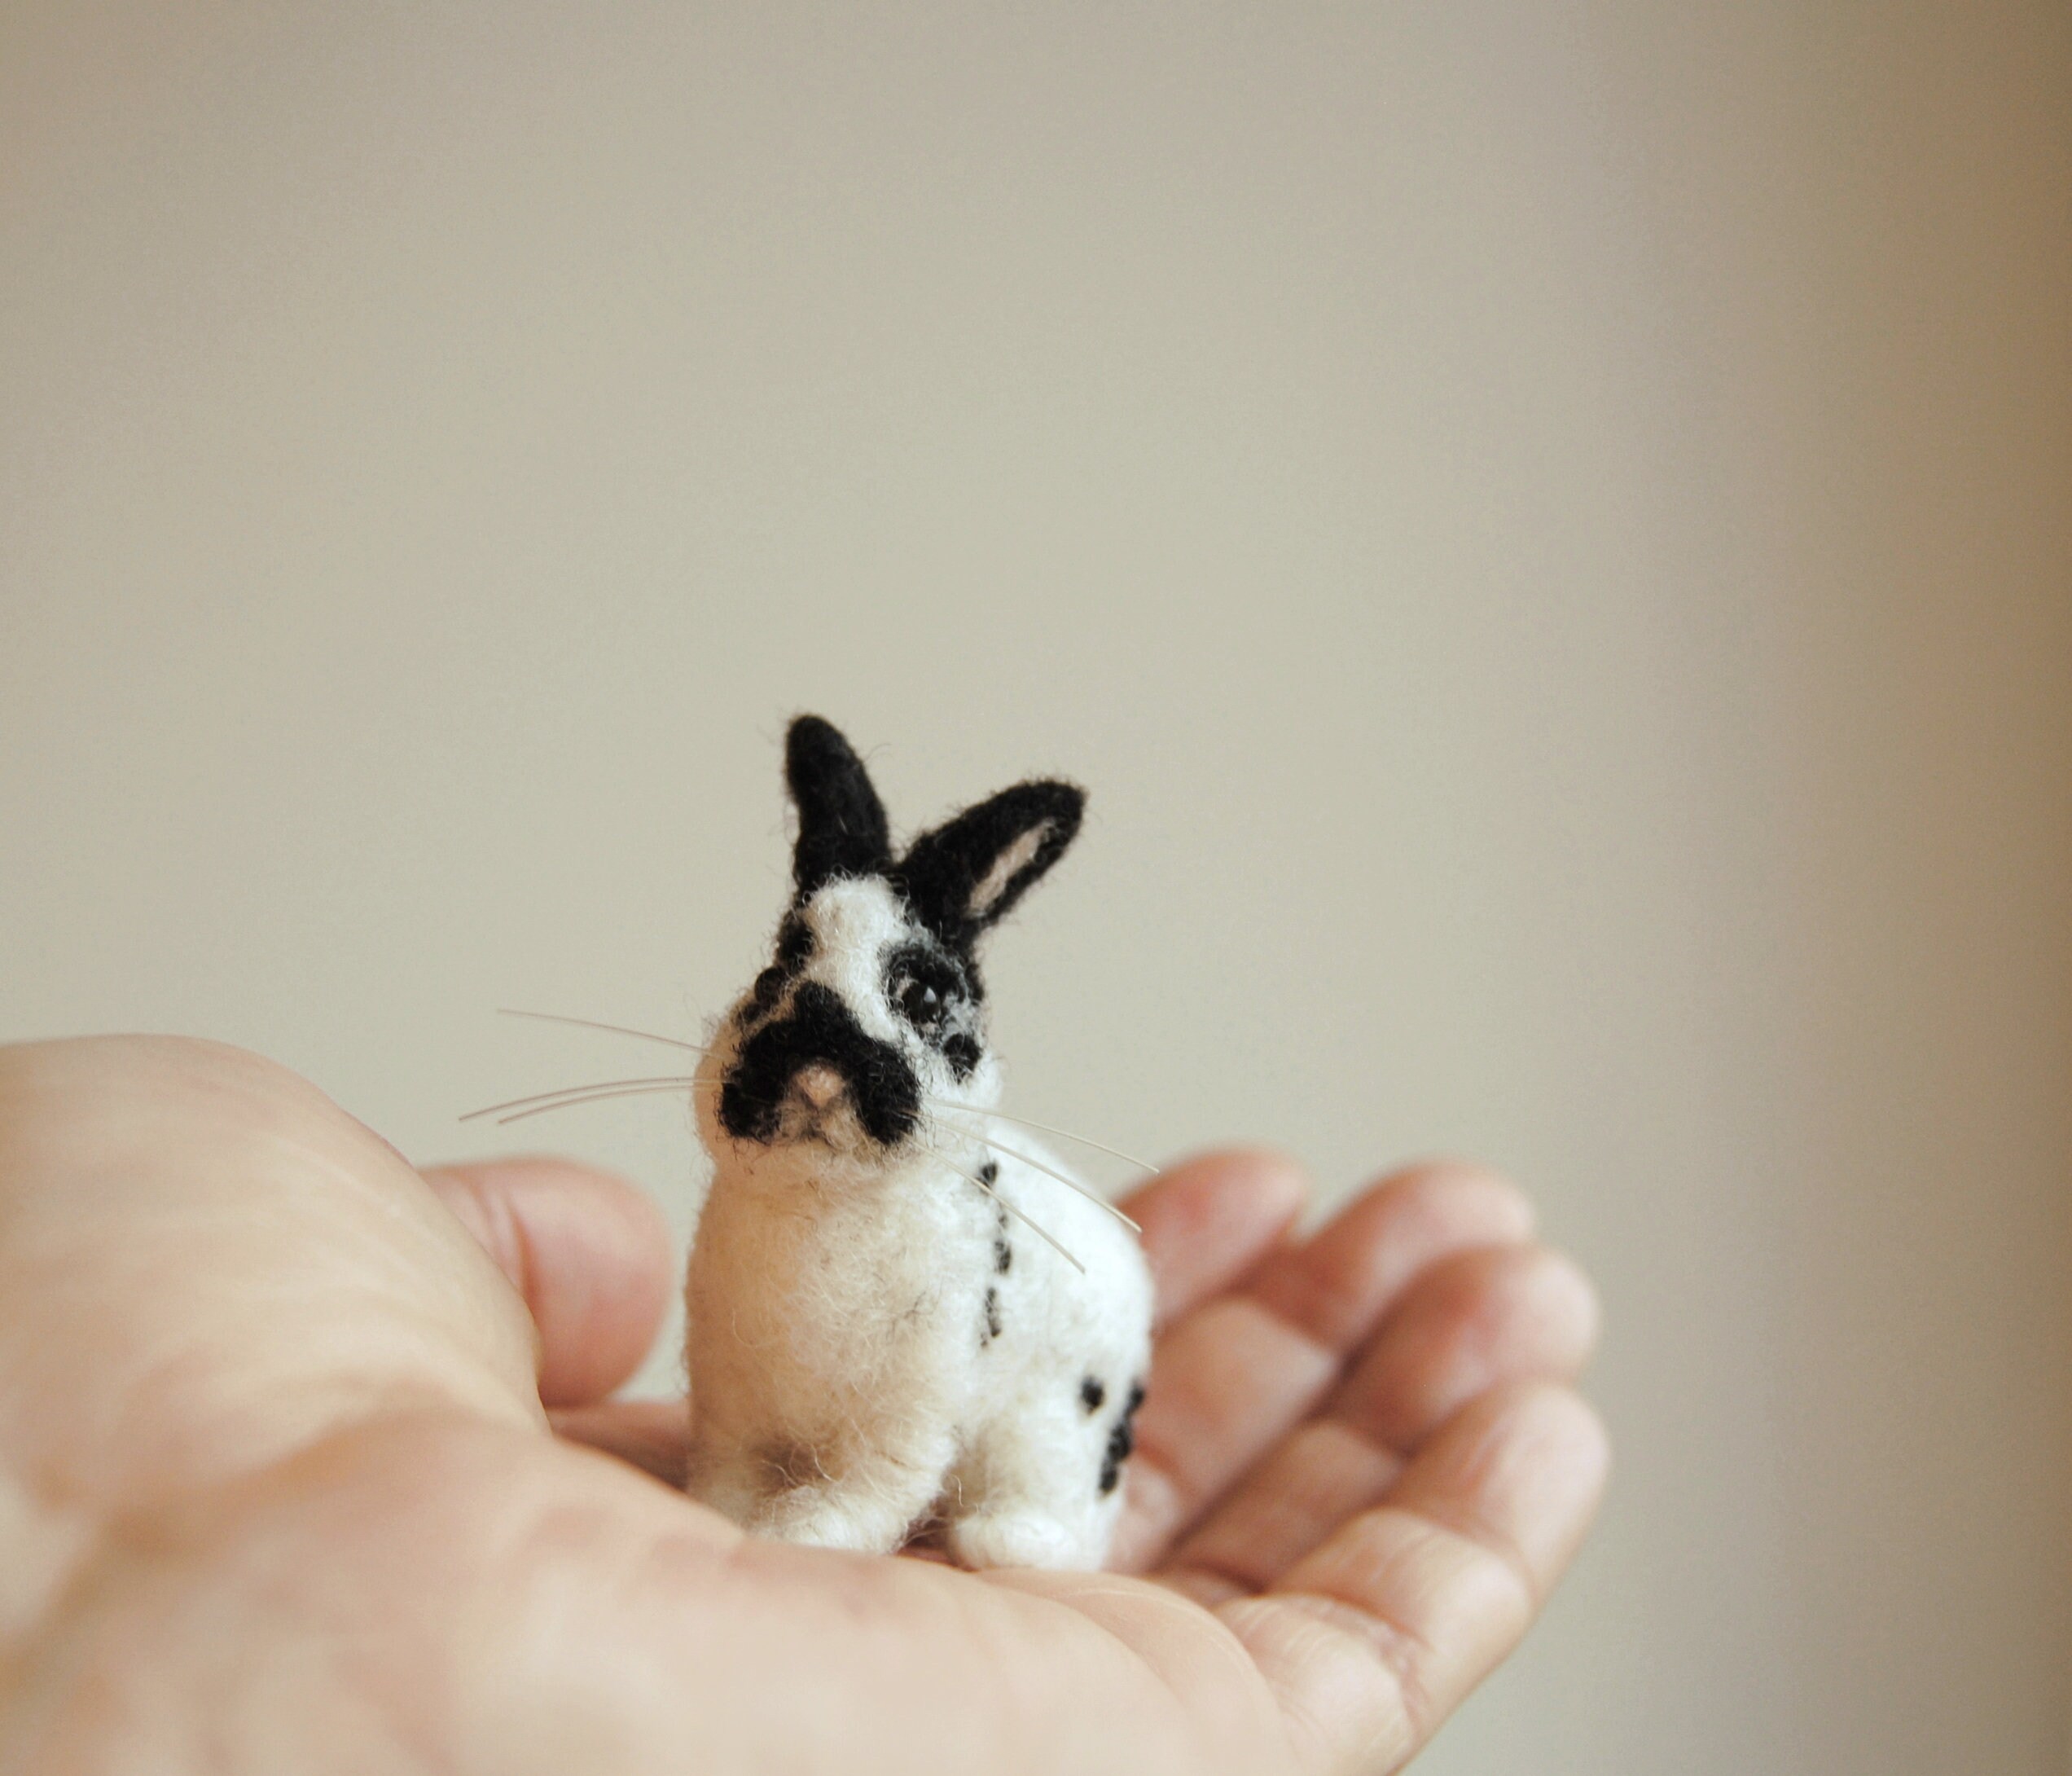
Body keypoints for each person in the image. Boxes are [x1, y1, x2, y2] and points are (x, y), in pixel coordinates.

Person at [0, 1035, 1606, 1774]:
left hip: (1050, 1356)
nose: (821, 1069)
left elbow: (906, 1399)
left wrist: (857, 1495)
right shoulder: (745, 1224)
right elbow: (739, 1370)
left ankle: (1031, 1490)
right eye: (790, 1008)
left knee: (1005, 1448)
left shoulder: (1000, 1238)